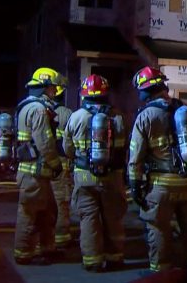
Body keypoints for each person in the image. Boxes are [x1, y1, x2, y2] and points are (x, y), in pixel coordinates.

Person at [129, 66, 187, 280]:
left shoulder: (146, 116)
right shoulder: (185, 109)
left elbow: (136, 155)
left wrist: (135, 183)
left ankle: (161, 272)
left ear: (144, 90)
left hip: (162, 185)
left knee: (158, 227)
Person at [63, 74, 128, 273]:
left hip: (84, 176)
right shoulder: (117, 117)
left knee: (89, 219)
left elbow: (67, 147)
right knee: (113, 218)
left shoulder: (76, 116)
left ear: (84, 95)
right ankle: (115, 257)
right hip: (112, 176)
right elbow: (123, 147)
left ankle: (92, 261)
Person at [13, 67, 64, 265]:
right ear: (45, 88)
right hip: (34, 173)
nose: (55, 92)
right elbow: (44, 141)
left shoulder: (28, 106)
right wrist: (55, 163)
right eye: (52, 88)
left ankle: (47, 248)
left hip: (36, 173)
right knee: (29, 214)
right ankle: (23, 253)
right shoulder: (39, 109)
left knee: (48, 210)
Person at [51, 72, 74, 251]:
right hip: (62, 167)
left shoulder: (33, 110)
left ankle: (43, 240)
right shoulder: (67, 114)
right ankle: (61, 239)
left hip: (39, 167)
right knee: (61, 203)